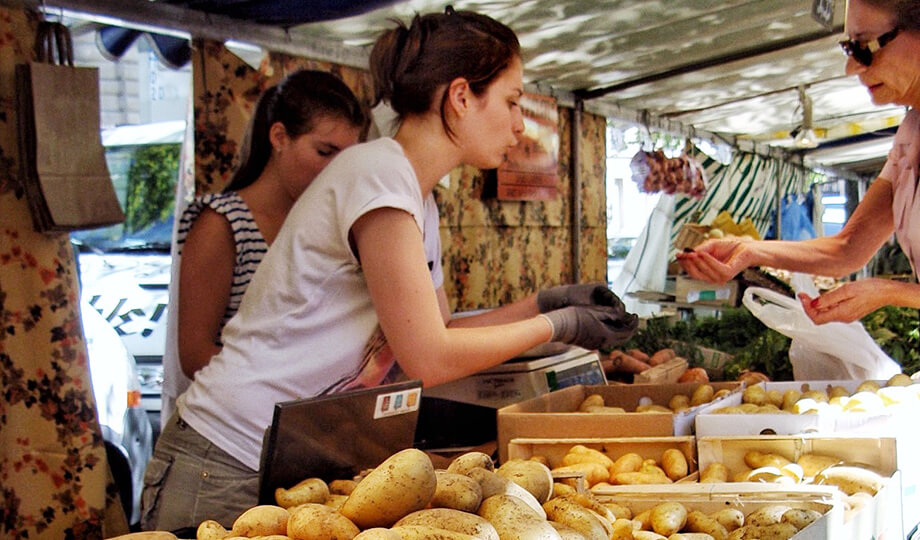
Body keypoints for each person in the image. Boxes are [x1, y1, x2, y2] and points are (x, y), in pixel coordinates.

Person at [141, 8, 638, 531]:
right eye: (512, 101)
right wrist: (560, 327)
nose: (519, 123)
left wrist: (545, 304)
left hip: (283, 456)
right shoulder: (377, 175)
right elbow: (429, 355)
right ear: (461, 96)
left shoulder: (416, 198)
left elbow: (442, 330)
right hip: (221, 459)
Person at [678, 0, 920, 325]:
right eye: (848, 49)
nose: (851, 68)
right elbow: (847, 248)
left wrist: (889, 291)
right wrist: (749, 250)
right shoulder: (911, 135)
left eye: (864, 48)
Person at [159, 69, 368, 422]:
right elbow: (194, 354)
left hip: (304, 424)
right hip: (231, 428)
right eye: (324, 151)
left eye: (347, 158)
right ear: (279, 137)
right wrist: (297, 389)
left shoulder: (338, 225)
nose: (337, 170)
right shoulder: (221, 224)